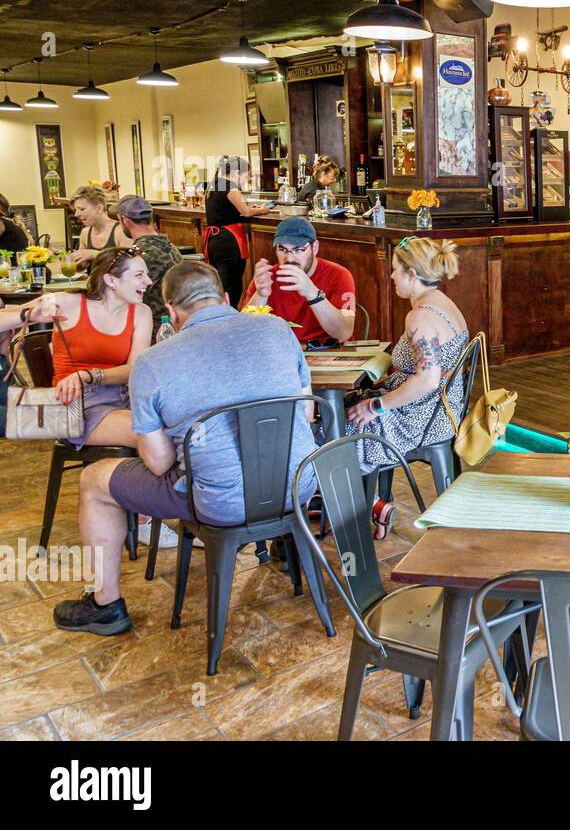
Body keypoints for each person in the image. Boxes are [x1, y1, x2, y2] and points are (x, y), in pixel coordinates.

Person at [51, 261, 319, 636]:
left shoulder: (153, 362)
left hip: (220, 503)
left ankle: (104, 604)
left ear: (172, 314)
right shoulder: (278, 330)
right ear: (226, 298)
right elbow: (305, 413)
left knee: (93, 480)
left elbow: (159, 464)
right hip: (299, 484)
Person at [346, 238, 469, 533]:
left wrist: (376, 405)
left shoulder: (421, 316)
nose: (391, 276)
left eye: (395, 270)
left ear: (412, 274)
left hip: (418, 420)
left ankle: (363, 510)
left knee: (335, 430)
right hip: (442, 411)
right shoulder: (444, 303)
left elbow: (426, 379)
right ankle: (375, 502)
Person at [0, 247, 153, 449]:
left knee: (176, 428)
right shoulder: (69, 302)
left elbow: (134, 370)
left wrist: (89, 375)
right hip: (76, 406)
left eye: (147, 274)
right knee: (152, 437)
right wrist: (28, 316)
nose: (149, 281)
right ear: (111, 281)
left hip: (126, 397)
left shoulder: (141, 312)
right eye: (139, 275)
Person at [241, 217, 355, 347]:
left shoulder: (339, 275)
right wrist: (260, 295)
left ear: (315, 247)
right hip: (282, 354)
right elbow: (243, 333)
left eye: (298, 250)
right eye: (282, 249)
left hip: (325, 351)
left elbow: (344, 333)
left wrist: (312, 293)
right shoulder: (266, 278)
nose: (289, 258)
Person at [202, 154, 272, 305]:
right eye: (247, 176)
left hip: (214, 241)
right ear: (237, 173)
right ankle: (228, 320)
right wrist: (263, 210)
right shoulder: (231, 188)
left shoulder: (213, 185)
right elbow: (245, 212)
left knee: (220, 285)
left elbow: (229, 210)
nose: (246, 180)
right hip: (229, 242)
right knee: (232, 288)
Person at [115, 195, 183, 336]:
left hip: (152, 333)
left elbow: (120, 298)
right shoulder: (172, 249)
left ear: (125, 221)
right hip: (178, 327)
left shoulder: (137, 256)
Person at [68, 186, 131, 267]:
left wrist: (95, 254)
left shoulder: (121, 231)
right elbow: (81, 267)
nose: (76, 214)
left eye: (82, 209)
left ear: (98, 208)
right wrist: (72, 261)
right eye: (75, 210)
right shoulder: (85, 233)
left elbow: (128, 264)